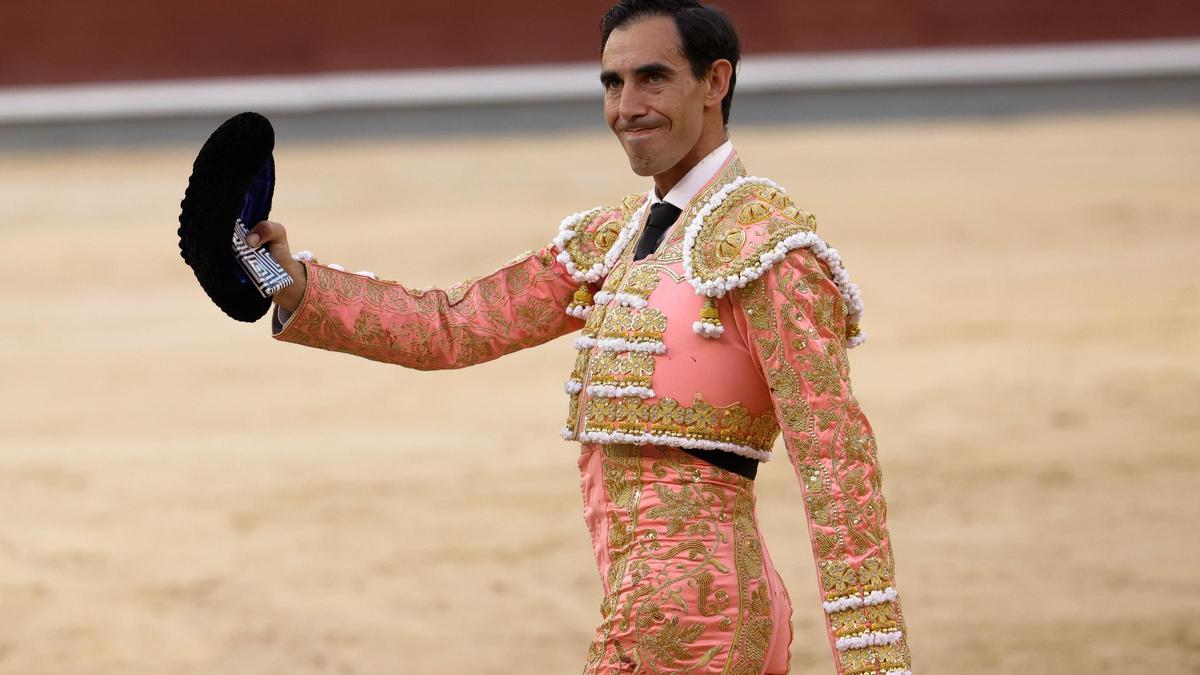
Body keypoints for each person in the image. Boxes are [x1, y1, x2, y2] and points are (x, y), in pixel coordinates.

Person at [247, 1, 912, 673]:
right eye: (612, 83)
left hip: (708, 627)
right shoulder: (610, 239)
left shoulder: (767, 250)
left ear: (715, 82)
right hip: (638, 618)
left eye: (653, 78)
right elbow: (451, 326)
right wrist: (287, 280)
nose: (627, 106)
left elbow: (837, 466)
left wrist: (874, 662)